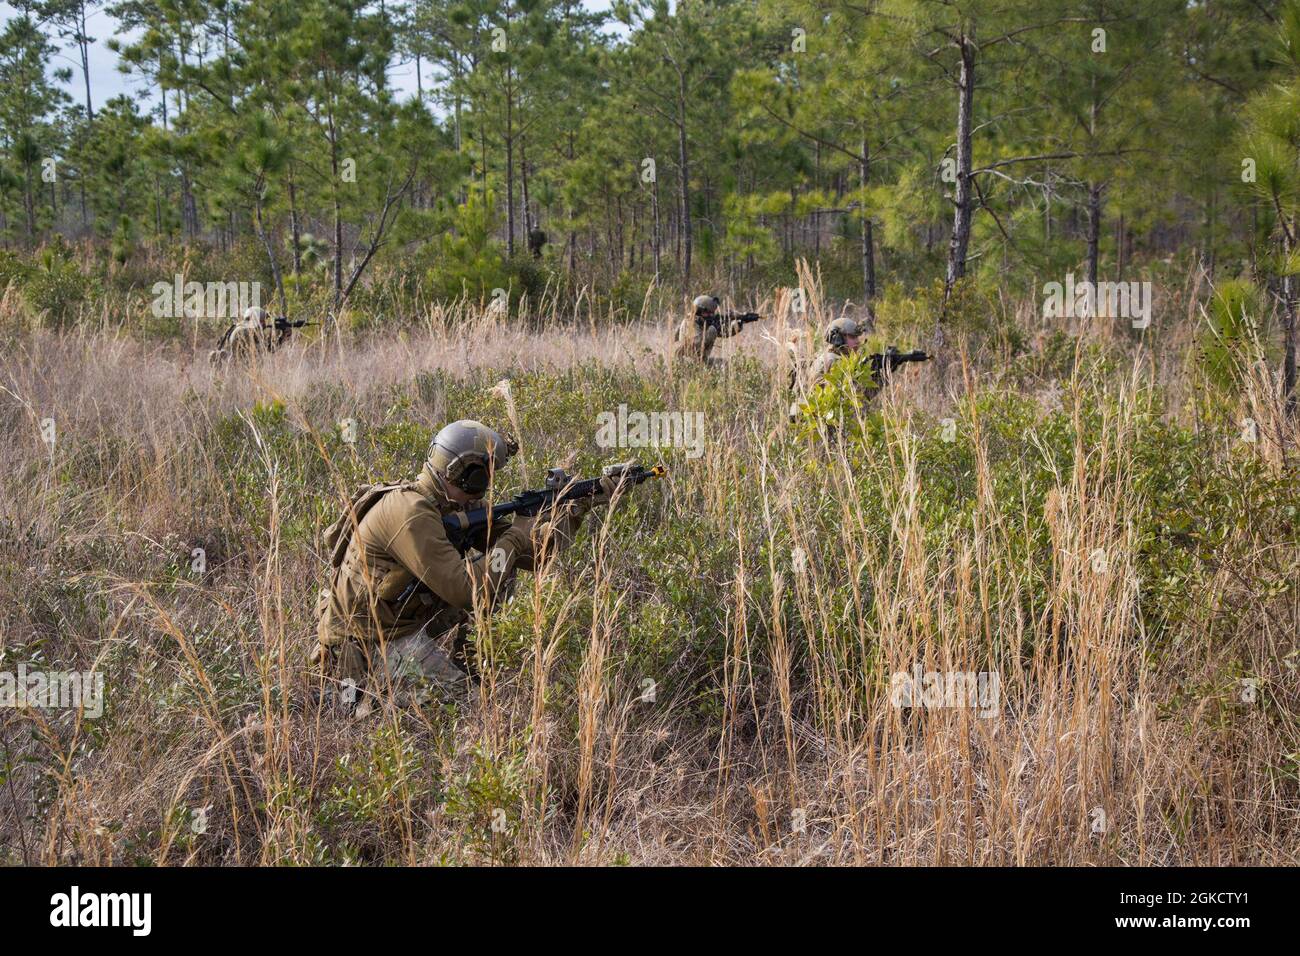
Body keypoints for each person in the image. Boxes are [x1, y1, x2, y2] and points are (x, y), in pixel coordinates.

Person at [311, 420, 598, 715]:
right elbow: (465, 591)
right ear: (461, 473)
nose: (485, 487)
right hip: (367, 640)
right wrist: (514, 536)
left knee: (502, 571)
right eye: (482, 477)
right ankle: (359, 698)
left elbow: (534, 557)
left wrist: (574, 510)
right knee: (464, 704)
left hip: (400, 624)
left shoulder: (452, 506)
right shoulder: (411, 513)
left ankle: (466, 669)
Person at [672, 294, 759, 364]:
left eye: (712, 313)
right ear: (698, 311)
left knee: (727, 364)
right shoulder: (689, 322)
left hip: (699, 361)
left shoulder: (703, 322)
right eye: (707, 313)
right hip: (687, 362)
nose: (711, 315)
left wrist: (739, 323)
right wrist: (712, 330)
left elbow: (724, 332)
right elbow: (693, 345)